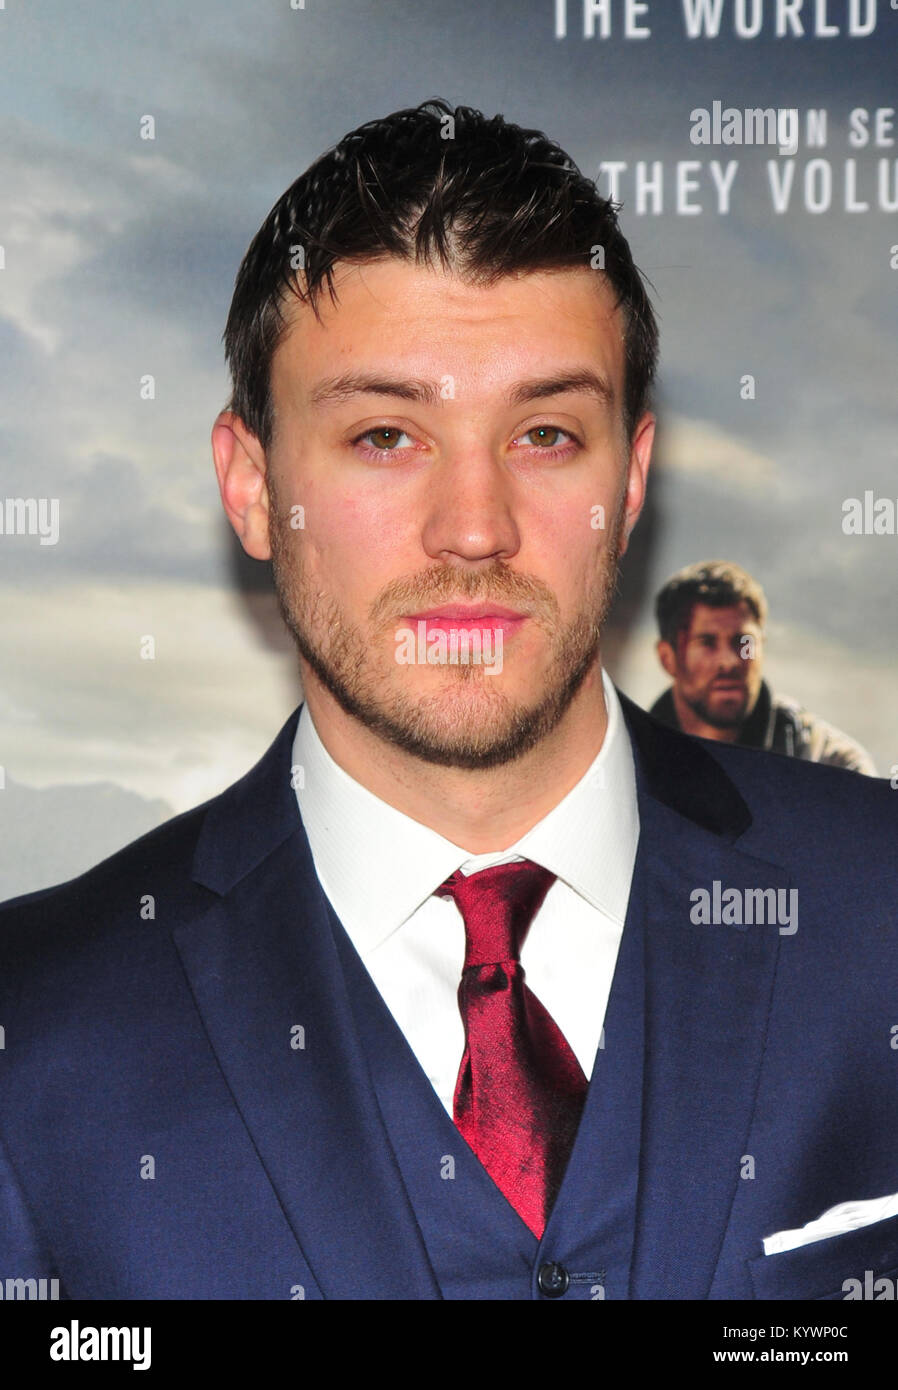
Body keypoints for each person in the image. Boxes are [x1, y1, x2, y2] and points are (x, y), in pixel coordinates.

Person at [1, 99, 896, 1302]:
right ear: (254, 486)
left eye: (542, 433)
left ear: (628, 482)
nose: (472, 528)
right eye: (384, 435)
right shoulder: (38, 1024)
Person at [649, 560, 877, 774]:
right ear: (668, 658)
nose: (729, 661)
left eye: (744, 642)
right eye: (707, 643)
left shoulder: (831, 768)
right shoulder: (631, 761)